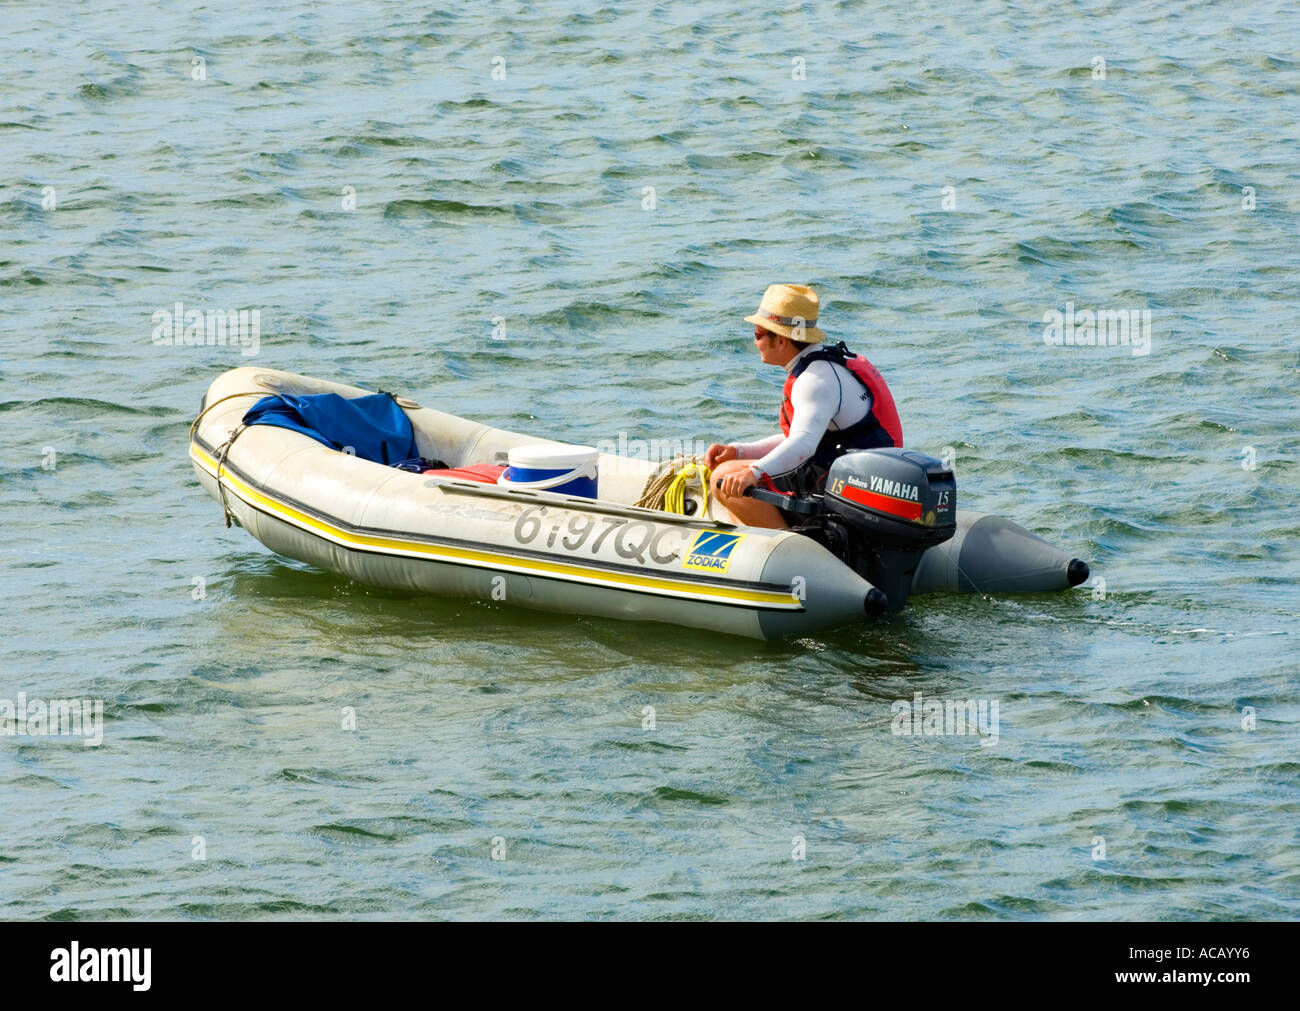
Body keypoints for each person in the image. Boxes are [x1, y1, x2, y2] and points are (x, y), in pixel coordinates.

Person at [706, 283, 904, 529]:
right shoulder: (824, 368)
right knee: (734, 467)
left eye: (758, 334)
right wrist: (740, 451)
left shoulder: (813, 381)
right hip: (861, 475)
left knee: (722, 478)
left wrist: (754, 472)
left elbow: (804, 444)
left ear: (780, 341)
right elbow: (803, 438)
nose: (754, 342)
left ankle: (786, 550)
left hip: (850, 485)